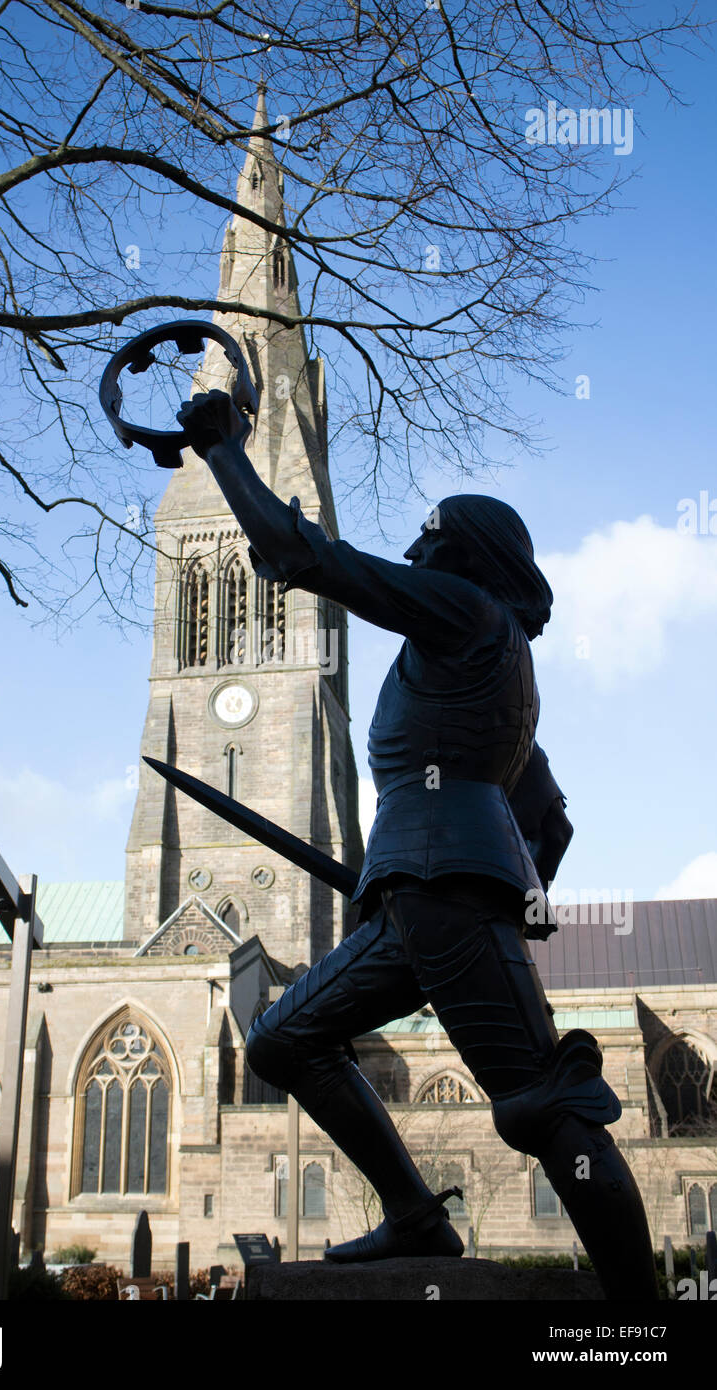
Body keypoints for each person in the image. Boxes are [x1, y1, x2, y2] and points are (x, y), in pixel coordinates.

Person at [176, 389, 658, 1300]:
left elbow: (300, 555)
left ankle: (641, 1316)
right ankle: (414, 1213)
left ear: (462, 553)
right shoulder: (494, 667)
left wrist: (225, 452)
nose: (412, 552)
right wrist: (491, 889)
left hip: (437, 897)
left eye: (428, 541)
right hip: (423, 899)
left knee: (539, 1107)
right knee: (282, 1039)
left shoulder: (464, 613)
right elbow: (548, 822)